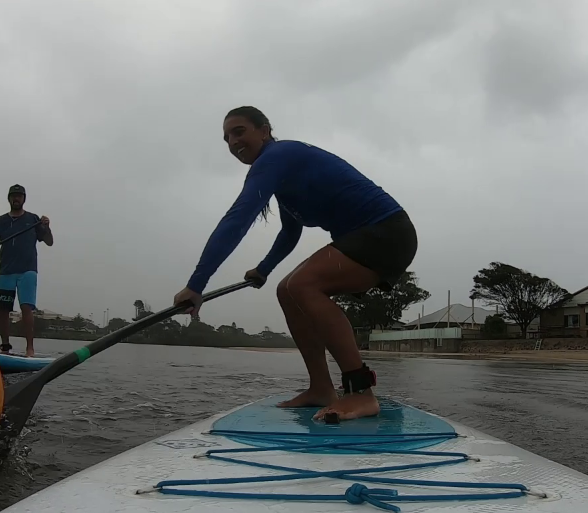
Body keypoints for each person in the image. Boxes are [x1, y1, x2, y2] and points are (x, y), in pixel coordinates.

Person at [175, 106, 418, 421]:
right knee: (287, 291)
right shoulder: (281, 179)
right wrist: (264, 269)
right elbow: (290, 232)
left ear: (264, 130)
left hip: (386, 232)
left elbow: (237, 219)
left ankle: (360, 393)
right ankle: (320, 388)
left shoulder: (277, 157)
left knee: (302, 285)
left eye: (239, 131)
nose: (232, 142)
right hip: (368, 237)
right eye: (226, 139)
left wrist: (197, 285)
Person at [0, 184, 53, 357]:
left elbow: (49, 241)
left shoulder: (33, 219)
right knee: (3, 310)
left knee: (26, 308)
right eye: (13, 196)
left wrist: (47, 226)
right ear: (9, 199)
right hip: (6, 271)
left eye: (19, 196)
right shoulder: (1, 221)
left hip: (28, 270)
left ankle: (30, 349)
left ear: (24, 199)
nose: (16, 199)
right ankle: (5, 346)